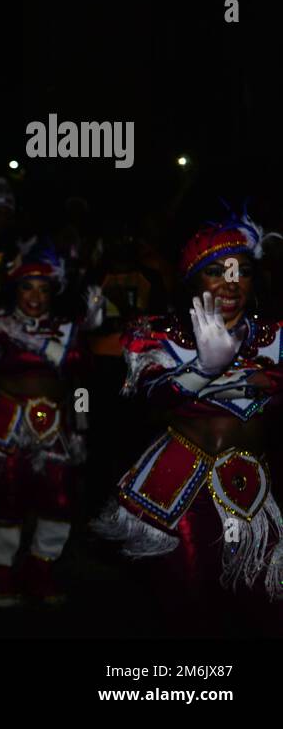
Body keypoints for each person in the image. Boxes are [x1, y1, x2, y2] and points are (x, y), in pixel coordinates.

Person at [92, 211, 283, 632]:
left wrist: (257, 377)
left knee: (261, 603)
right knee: (188, 604)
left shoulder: (276, 338)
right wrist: (203, 369)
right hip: (179, 487)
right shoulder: (157, 336)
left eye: (242, 271)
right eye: (215, 271)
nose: (231, 283)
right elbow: (150, 396)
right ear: (192, 279)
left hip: (249, 489)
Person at [0, 243, 103, 606]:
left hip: (54, 425)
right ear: (15, 291)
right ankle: (1, 570)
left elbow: (80, 382)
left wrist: (81, 424)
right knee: (8, 494)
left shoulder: (68, 330)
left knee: (59, 497)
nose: (35, 296)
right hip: (8, 421)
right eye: (27, 287)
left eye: (43, 288)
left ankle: (42, 566)